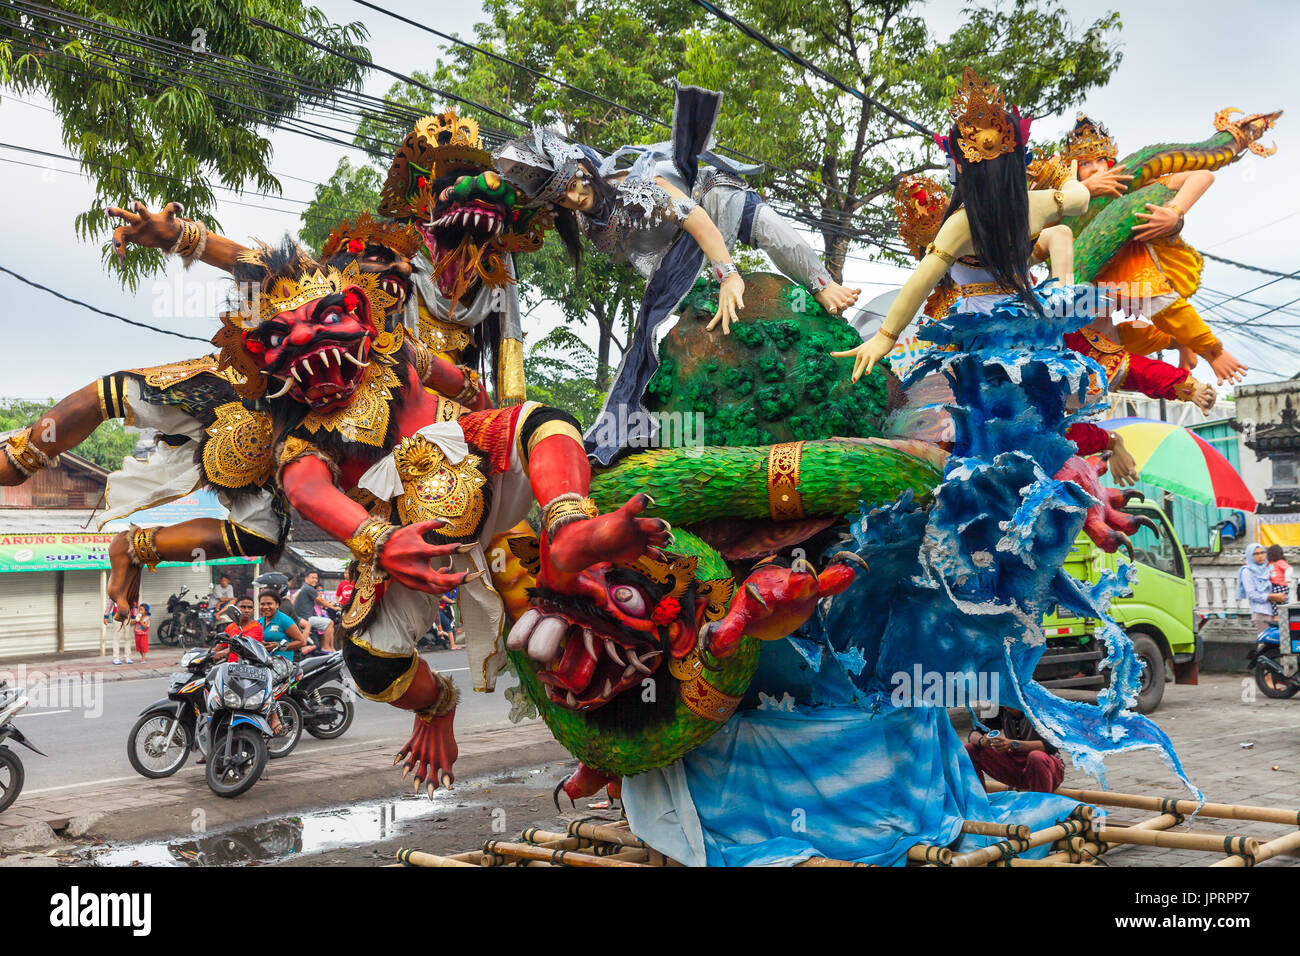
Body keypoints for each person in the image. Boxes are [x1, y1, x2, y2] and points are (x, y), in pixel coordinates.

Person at [495, 84, 861, 465]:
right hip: (675, 255)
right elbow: (646, 259)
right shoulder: (591, 225)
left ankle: (823, 284)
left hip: (711, 201)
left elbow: (697, 219)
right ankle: (625, 428)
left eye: (572, 185)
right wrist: (681, 294)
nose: (572, 198)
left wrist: (730, 276)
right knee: (648, 327)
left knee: (767, 227)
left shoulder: (637, 187)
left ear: (586, 170)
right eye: (561, 198)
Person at [832, 69, 1140, 485]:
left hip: (983, 332)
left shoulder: (961, 224)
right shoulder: (1038, 203)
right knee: (1033, 425)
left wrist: (884, 339)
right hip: (1031, 326)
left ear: (963, 171)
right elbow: (1080, 198)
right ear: (1018, 163)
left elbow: (921, 282)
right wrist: (1071, 173)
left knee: (986, 433)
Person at [1062, 114, 1247, 385]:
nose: (1094, 169)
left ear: (1112, 163)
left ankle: (1213, 351)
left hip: (1132, 265)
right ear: (1074, 171)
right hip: (1086, 282)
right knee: (1099, 340)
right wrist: (1082, 192)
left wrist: (1175, 213)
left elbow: (1201, 176)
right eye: (1085, 164)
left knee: (1159, 303)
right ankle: (1177, 341)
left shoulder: (1135, 190)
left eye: (1100, 160)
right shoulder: (1067, 206)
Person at [965, 706, 1065, 793]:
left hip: (1046, 769)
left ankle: (1041, 806)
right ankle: (979, 803)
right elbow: (974, 733)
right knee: (970, 749)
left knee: (1036, 757)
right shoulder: (1001, 710)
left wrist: (1014, 744)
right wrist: (982, 741)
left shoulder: (1038, 709)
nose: (1008, 706)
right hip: (1018, 769)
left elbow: (1053, 744)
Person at [1238, 543, 1287, 632]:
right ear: (1249, 556)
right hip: (1262, 612)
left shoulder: (1269, 567)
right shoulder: (1247, 571)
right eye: (1256, 554)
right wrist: (1272, 596)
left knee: (1280, 643)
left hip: (1278, 611)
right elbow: (1252, 594)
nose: (1260, 556)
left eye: (1262, 552)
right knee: (1265, 643)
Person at [292, 571, 335, 653]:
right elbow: (321, 600)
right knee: (330, 622)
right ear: (306, 578)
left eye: (316, 578)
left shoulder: (303, 588)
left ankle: (330, 647)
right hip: (307, 618)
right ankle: (325, 648)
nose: (315, 580)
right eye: (312, 578)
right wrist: (334, 608)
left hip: (302, 617)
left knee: (327, 625)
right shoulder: (309, 588)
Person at [258, 592, 307, 661]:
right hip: (263, 660)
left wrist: (278, 646)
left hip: (282, 661)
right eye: (262, 604)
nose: (265, 607)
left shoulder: (284, 620)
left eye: (269, 604)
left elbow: (302, 642)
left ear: (277, 605)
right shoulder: (258, 622)